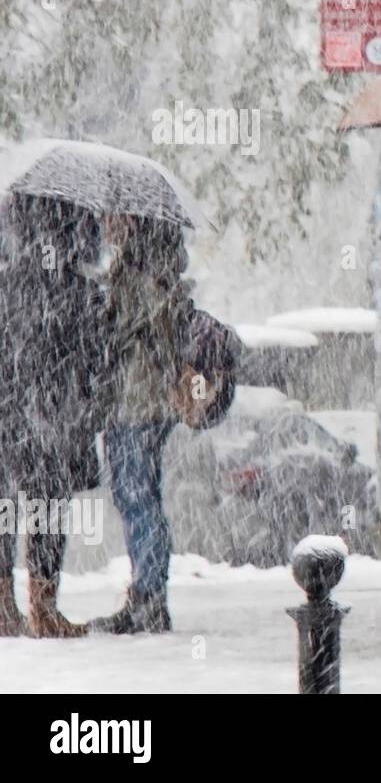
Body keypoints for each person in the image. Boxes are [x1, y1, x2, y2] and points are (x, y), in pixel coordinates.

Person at [0, 194, 115, 638]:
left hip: (12, 410)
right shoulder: (77, 290)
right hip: (54, 413)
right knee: (48, 508)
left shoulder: (10, 280)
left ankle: (6, 607)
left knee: (7, 505)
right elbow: (92, 361)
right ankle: (44, 609)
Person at [87, 215, 198, 634]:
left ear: (136, 224)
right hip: (145, 402)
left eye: (117, 217)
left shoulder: (139, 275)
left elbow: (122, 336)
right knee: (140, 497)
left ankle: (148, 597)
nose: (108, 223)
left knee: (137, 499)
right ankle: (148, 593)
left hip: (136, 401)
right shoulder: (157, 271)